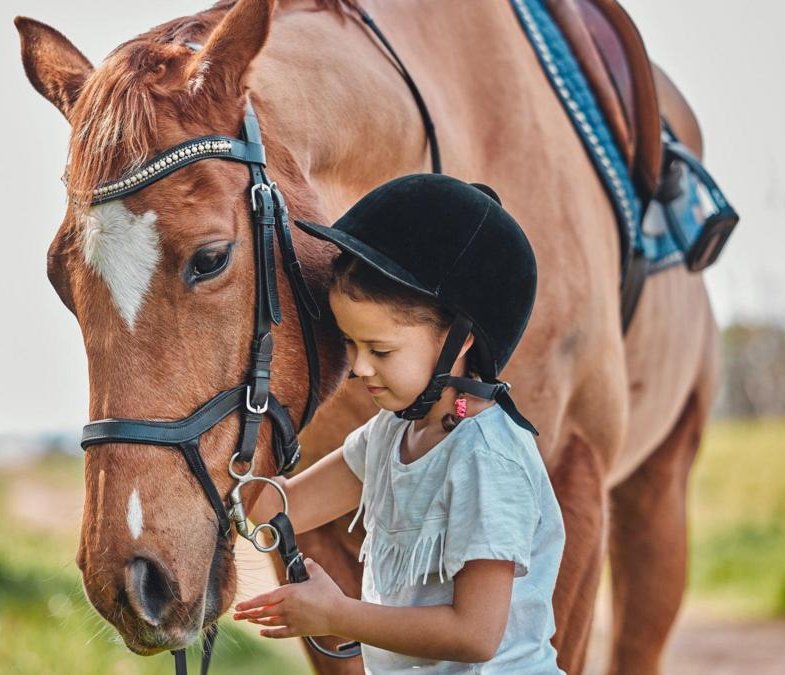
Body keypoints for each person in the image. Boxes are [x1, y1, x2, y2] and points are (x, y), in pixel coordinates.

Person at [234, 174, 566, 673]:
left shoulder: (487, 461)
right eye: (351, 344)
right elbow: (280, 509)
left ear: (461, 340)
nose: (359, 368)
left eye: (380, 349)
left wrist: (337, 614)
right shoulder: (391, 434)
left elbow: (475, 635)